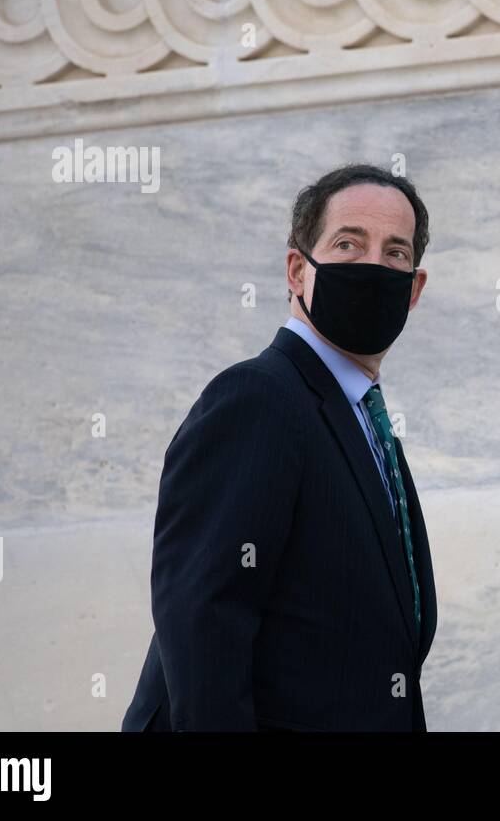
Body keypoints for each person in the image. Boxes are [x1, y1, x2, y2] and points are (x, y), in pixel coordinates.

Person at [121, 163, 437, 731]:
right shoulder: (258, 400)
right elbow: (203, 624)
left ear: (414, 289)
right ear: (297, 269)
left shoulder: (365, 423)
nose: (372, 265)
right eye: (348, 244)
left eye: (395, 253)